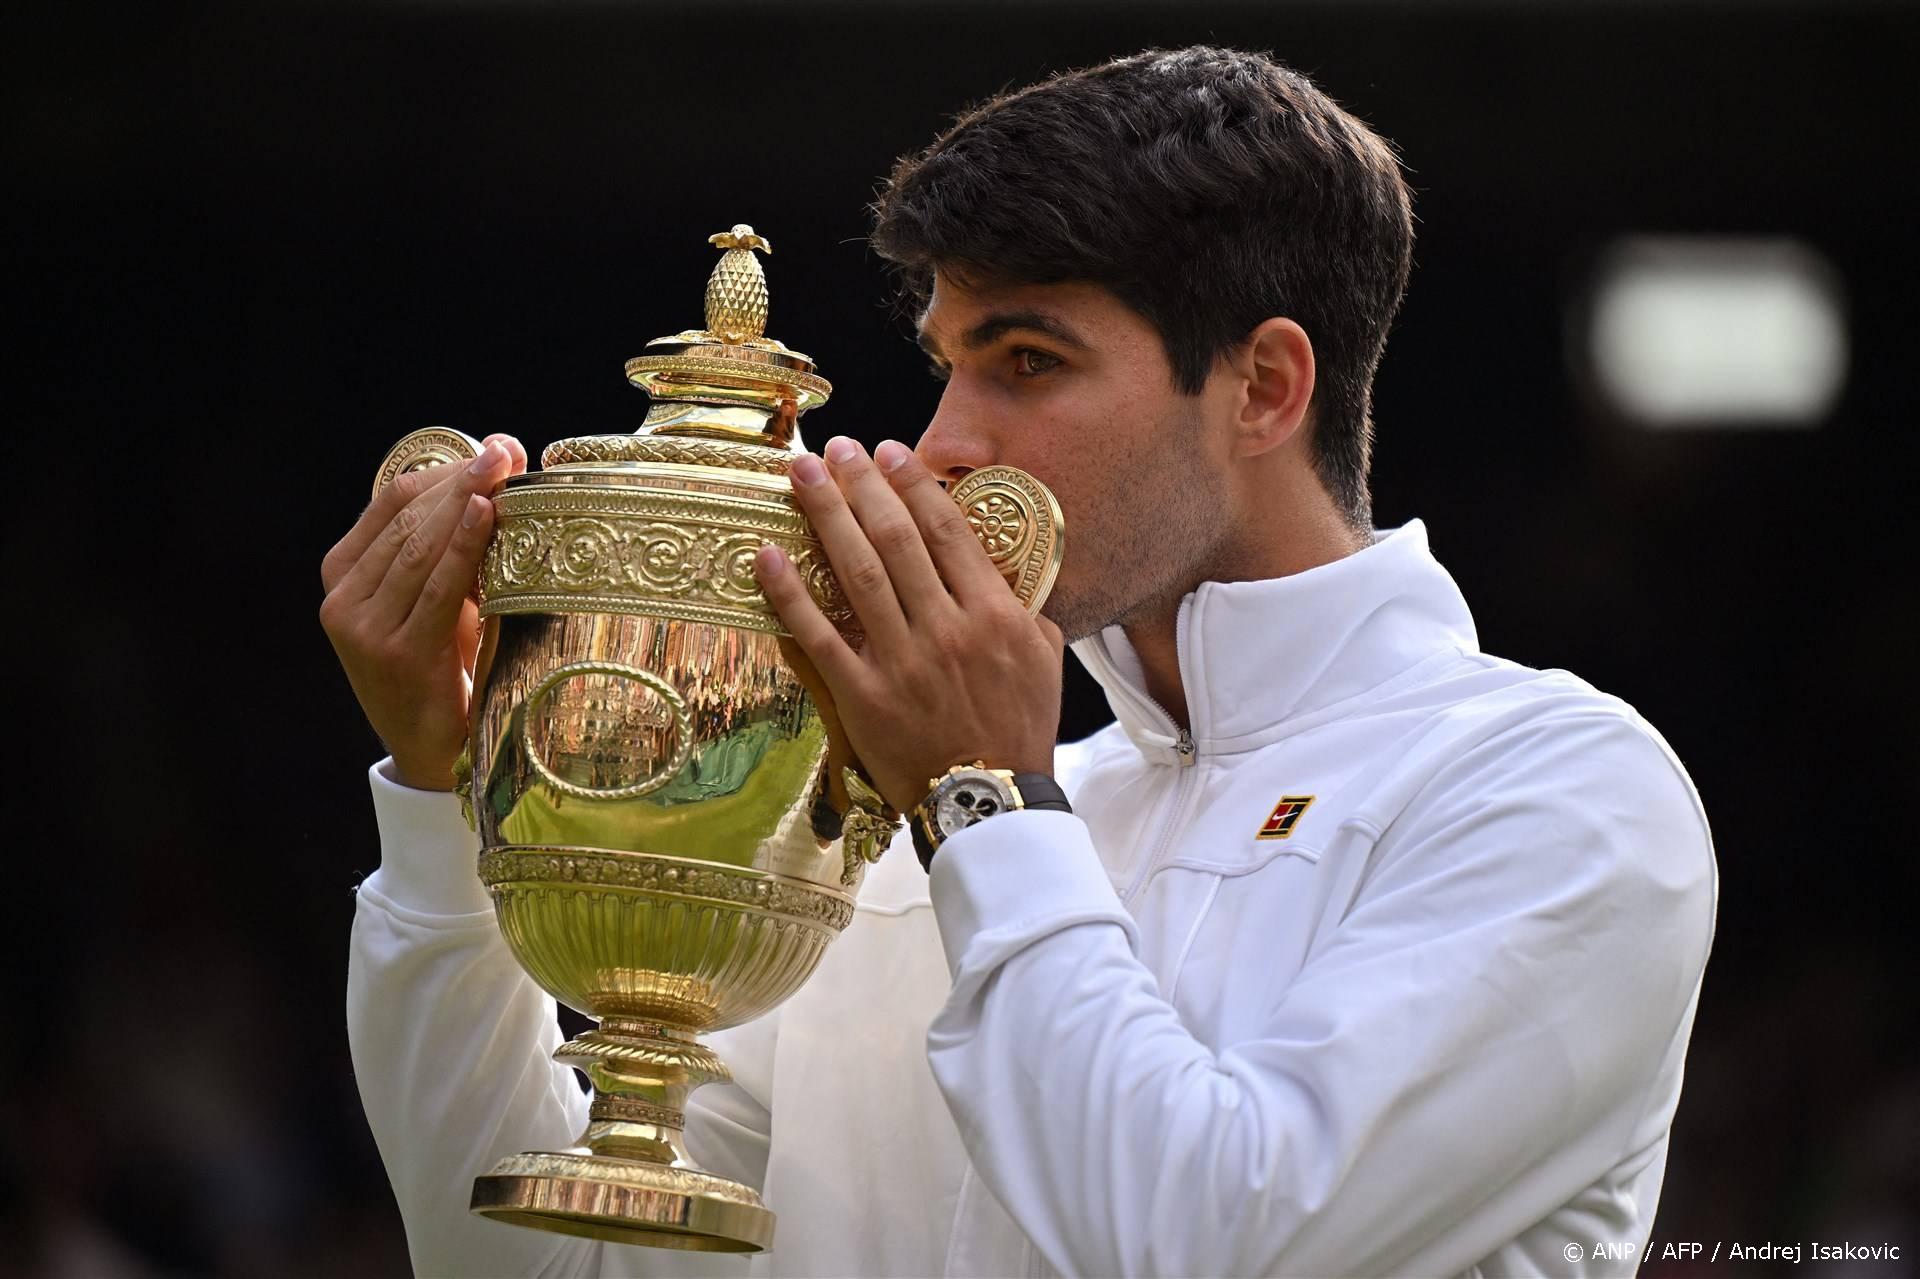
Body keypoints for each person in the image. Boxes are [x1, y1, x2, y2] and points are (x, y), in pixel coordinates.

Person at [327, 46, 1716, 1279]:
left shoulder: (1560, 793)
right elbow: (545, 1265)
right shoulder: (911, 836)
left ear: (1264, 388)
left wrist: (985, 795)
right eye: (946, 363)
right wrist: (443, 798)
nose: (943, 443)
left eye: (1029, 361)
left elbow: (1207, 1241)